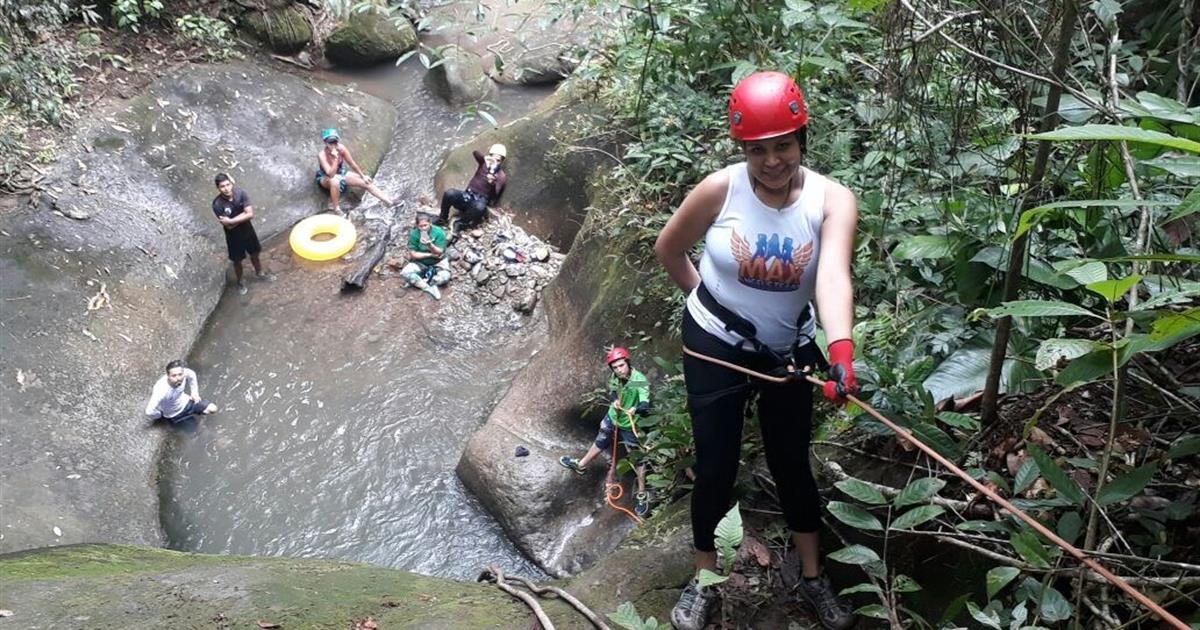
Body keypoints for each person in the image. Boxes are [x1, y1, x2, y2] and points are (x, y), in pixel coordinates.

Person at [653, 71, 858, 630]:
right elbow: (670, 249)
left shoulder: (831, 200)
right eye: (758, 149)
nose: (772, 161)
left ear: (802, 139)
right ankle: (704, 578)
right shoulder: (721, 190)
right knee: (716, 463)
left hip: (787, 352)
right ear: (743, 148)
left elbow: (833, 278)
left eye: (783, 145)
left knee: (792, 463)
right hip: (714, 344)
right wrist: (707, 305)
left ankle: (813, 579)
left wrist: (840, 353)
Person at [559, 347, 653, 518]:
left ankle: (641, 493)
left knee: (637, 457)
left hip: (628, 423)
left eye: (621, 366)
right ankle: (581, 465)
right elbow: (612, 392)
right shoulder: (615, 377)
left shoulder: (639, 380)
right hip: (613, 416)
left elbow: (646, 404)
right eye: (615, 367)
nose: (619, 370)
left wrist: (635, 409)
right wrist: (615, 401)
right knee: (601, 440)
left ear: (628, 364)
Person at [212, 173, 274, 295]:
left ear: (231, 183)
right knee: (237, 261)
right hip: (233, 236)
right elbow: (228, 225)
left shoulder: (240, 193)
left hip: (248, 231)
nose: (226, 188)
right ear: (218, 188)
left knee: (255, 254)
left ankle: (259, 273)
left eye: (228, 184)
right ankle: (240, 281)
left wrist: (232, 220)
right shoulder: (217, 204)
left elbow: (250, 214)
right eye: (222, 186)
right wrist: (242, 217)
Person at [315, 128, 392, 212]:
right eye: (330, 142)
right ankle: (336, 208)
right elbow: (331, 174)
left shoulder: (341, 148)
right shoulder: (322, 155)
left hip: (340, 173)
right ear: (325, 143)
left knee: (366, 182)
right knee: (334, 181)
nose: (333, 145)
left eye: (335, 142)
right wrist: (335, 159)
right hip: (326, 177)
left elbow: (351, 163)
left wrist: (363, 176)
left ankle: (389, 202)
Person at [436, 143, 508, 232]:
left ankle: (461, 224)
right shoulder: (483, 164)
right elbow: (475, 153)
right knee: (449, 193)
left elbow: (495, 196)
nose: (495, 162)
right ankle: (443, 218)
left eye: (498, 160)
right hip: (467, 195)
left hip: (479, 202)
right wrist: (487, 159)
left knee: (479, 207)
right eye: (494, 158)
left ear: (501, 161)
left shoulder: (501, 176)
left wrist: (492, 183)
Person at [145, 360, 218, 425]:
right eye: (174, 376)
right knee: (196, 432)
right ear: (168, 376)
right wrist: (159, 415)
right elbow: (149, 411)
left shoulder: (184, 373)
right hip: (175, 415)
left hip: (187, 402)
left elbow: (191, 374)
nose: (178, 378)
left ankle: (197, 413)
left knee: (213, 408)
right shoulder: (161, 390)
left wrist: (194, 393)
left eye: (180, 374)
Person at [401, 212, 451, 300]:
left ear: (430, 223)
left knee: (445, 277)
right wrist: (430, 254)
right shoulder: (414, 234)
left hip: (438, 261)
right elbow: (414, 254)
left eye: (425, 225)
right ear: (417, 226)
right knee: (405, 273)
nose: (423, 228)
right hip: (421, 262)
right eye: (421, 226)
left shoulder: (439, 232)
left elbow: (439, 252)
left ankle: (422, 280)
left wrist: (430, 245)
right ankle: (427, 287)